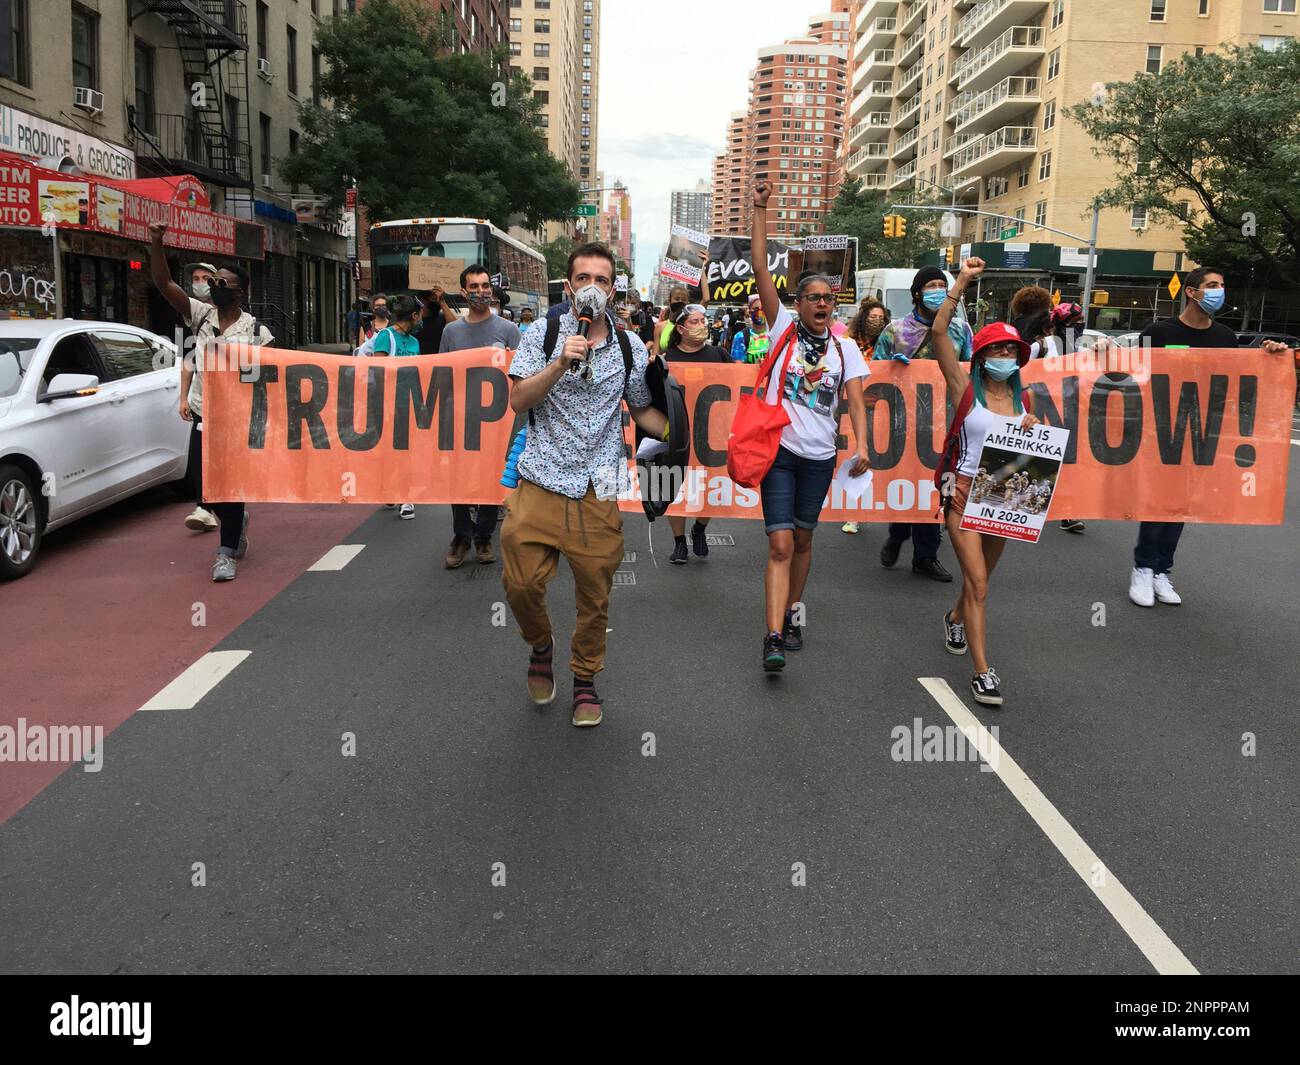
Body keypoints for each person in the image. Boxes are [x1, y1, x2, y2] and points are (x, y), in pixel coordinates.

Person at [502, 242, 668, 727]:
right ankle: (540, 644)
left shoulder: (628, 347)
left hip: (598, 487)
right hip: (540, 479)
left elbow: (641, 410)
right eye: (582, 279)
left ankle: (584, 678)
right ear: (569, 286)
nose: (592, 288)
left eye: (601, 279)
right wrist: (558, 363)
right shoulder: (543, 332)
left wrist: (677, 431)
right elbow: (518, 400)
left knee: (595, 596)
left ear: (613, 289)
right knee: (521, 583)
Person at [750, 181, 870, 672]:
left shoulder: (847, 350)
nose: (822, 303)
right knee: (780, 543)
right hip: (779, 452)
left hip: (821, 459)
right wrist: (760, 209)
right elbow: (761, 266)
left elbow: (857, 402)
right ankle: (774, 634)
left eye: (828, 298)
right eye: (812, 297)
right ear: (797, 304)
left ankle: (792, 611)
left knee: (803, 540)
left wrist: (862, 444)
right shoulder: (781, 328)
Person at [1128, 267, 1292, 607]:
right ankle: (1143, 568)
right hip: (1160, 431)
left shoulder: (1225, 337)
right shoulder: (1158, 332)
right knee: (1159, 501)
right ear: (1191, 292)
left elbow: (1236, 380)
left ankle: (1162, 571)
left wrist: (1271, 356)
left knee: (1181, 504)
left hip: (1201, 433)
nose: (1220, 291)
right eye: (1212, 285)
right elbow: (1131, 373)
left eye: (1221, 285)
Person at [930, 257, 1038, 707]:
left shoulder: (1024, 398)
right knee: (979, 584)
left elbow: (1029, 460)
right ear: (981, 356)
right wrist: (962, 282)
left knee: (979, 582)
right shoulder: (964, 388)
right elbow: (938, 335)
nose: (1004, 357)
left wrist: (1031, 428)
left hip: (1003, 497)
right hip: (963, 496)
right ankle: (982, 672)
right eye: (996, 350)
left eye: (1011, 352)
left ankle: (954, 617)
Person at [150, 222, 272, 583]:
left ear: (240, 292)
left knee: (228, 486)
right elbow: (163, 284)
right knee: (205, 491)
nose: (214, 286)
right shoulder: (200, 315)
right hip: (205, 417)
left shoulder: (256, 332)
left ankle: (225, 552)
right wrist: (156, 243)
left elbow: (267, 379)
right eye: (212, 281)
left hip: (236, 420)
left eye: (223, 283)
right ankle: (235, 521)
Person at [870, 267, 973, 582]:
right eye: (932, 285)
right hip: (905, 424)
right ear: (917, 293)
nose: (939, 290)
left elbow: (970, 372)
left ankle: (925, 556)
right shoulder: (895, 330)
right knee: (908, 485)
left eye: (943, 285)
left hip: (946, 424)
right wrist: (891, 366)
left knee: (936, 489)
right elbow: (872, 372)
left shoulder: (961, 331)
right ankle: (898, 534)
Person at [438, 264, 521, 563]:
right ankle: (461, 537)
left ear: (492, 289)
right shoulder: (451, 332)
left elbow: (521, 376)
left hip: (497, 423)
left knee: (491, 477)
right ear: (463, 292)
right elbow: (441, 376)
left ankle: (484, 538)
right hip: (461, 421)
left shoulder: (509, 331)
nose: (480, 292)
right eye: (473, 287)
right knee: (458, 480)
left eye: (485, 285)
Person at [653, 303, 730, 564]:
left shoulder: (719, 354)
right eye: (695, 322)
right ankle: (679, 543)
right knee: (676, 486)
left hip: (712, 434)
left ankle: (699, 528)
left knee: (710, 488)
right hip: (677, 434)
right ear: (682, 328)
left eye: (703, 320)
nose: (702, 326)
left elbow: (741, 382)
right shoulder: (667, 358)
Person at [840, 297, 890, 534]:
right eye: (873, 317)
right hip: (851, 405)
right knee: (853, 455)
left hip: (879, 406)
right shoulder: (849, 340)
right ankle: (853, 512)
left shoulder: (886, 342)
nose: (877, 322)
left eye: (881, 319)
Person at [181, 262, 219, 534]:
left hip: (232, 406)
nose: (200, 282)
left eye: (206, 278)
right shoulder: (198, 316)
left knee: (226, 459)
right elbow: (189, 360)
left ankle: (231, 509)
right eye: (195, 278)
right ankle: (203, 506)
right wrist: (183, 397)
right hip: (202, 403)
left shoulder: (245, 321)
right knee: (198, 454)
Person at [731, 293, 770, 363]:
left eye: (763, 309)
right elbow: (737, 366)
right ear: (749, 312)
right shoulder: (740, 337)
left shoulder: (774, 334)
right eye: (756, 309)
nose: (760, 312)